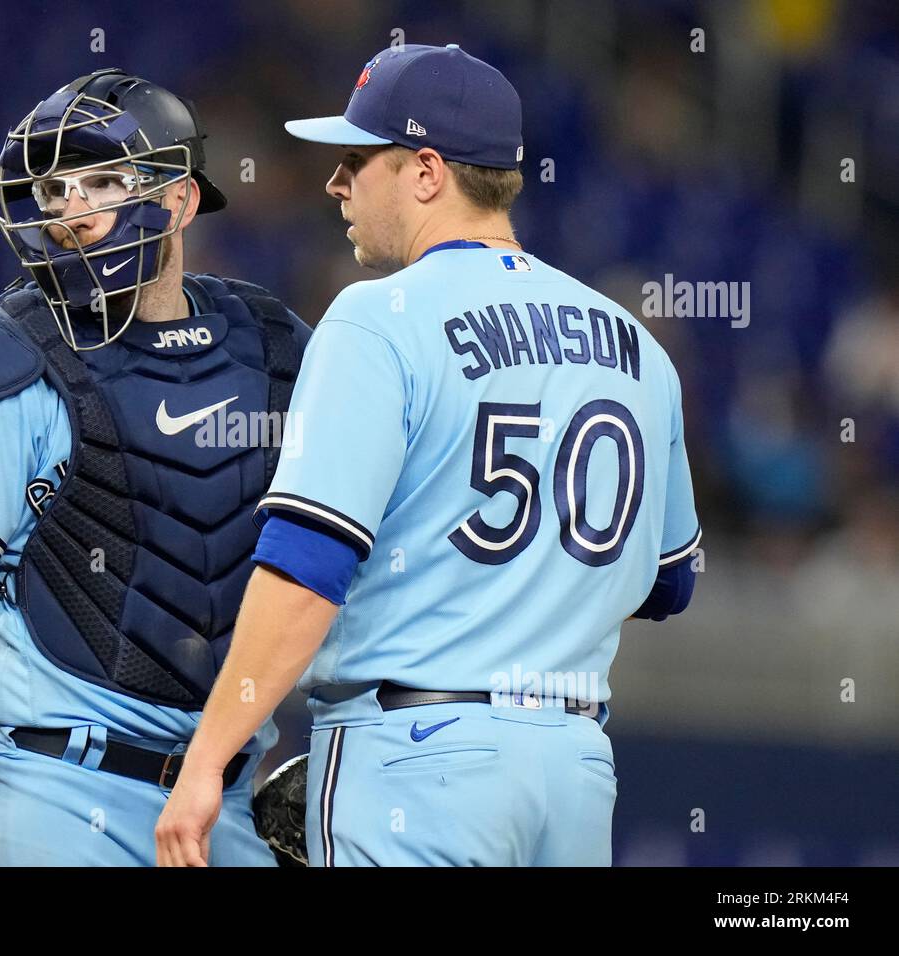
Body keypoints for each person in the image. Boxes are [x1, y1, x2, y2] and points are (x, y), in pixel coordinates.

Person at [155, 44, 701, 867]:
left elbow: (308, 565)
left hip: (418, 755)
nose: (336, 183)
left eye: (355, 159)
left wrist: (208, 762)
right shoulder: (636, 345)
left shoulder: (376, 318)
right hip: (576, 766)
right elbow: (670, 581)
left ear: (425, 172)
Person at [0, 68, 309, 866]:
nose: (69, 213)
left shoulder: (273, 345)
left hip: (226, 797)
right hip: (55, 789)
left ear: (179, 200)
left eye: (102, 182)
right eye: (52, 191)